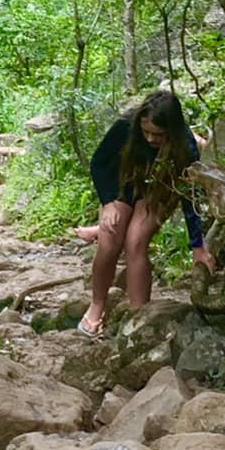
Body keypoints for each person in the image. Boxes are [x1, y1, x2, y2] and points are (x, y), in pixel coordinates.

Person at [77, 88, 215, 338]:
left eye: (158, 135)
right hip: (125, 183)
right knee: (110, 239)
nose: (151, 139)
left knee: (135, 242)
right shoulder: (125, 128)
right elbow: (98, 163)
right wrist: (108, 203)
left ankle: (139, 317)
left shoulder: (186, 146)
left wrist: (197, 246)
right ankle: (96, 307)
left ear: (171, 131)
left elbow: (188, 194)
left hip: (161, 188)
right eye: (146, 132)